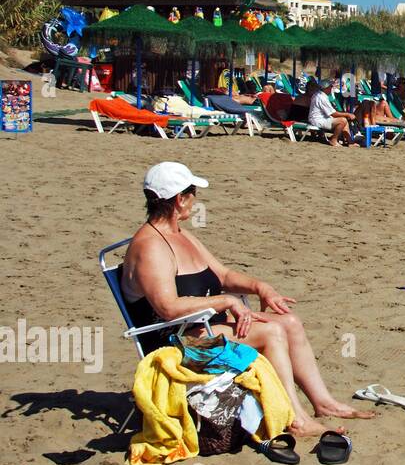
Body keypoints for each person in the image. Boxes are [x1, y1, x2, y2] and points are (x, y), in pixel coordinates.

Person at [121, 163, 373, 438]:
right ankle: (295, 418)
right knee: (271, 332)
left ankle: (323, 402)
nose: (195, 200)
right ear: (180, 199)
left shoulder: (180, 236)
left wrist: (261, 287)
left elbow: (224, 275)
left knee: (289, 322)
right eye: (193, 193)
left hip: (203, 328)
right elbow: (167, 308)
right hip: (179, 345)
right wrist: (226, 302)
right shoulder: (151, 247)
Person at [307, 79, 353, 146]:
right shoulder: (321, 97)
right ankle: (334, 140)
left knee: (344, 120)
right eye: (331, 86)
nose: (332, 88)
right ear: (326, 88)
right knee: (342, 120)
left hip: (319, 118)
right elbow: (333, 114)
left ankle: (350, 142)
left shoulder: (319, 94)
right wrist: (348, 114)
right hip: (318, 120)